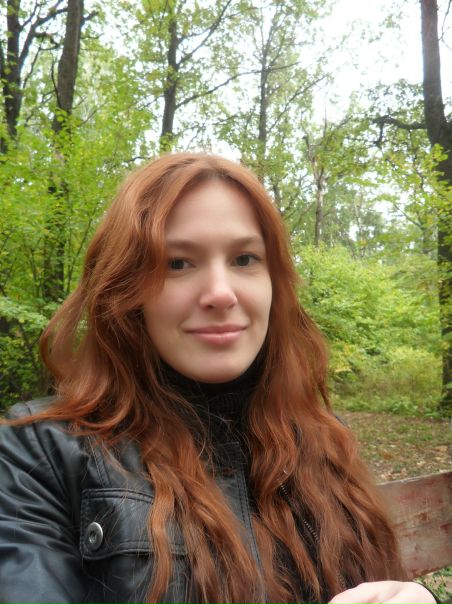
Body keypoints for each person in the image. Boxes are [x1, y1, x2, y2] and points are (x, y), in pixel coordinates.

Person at [0, 153, 437, 604]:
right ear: (125, 289)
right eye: (177, 263)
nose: (221, 294)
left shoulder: (325, 443)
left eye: (245, 258)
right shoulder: (40, 455)